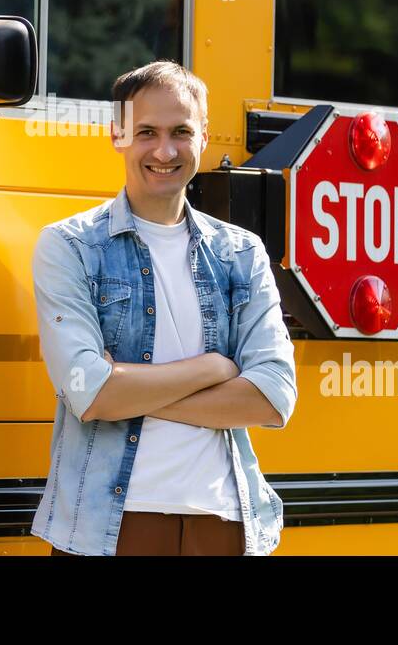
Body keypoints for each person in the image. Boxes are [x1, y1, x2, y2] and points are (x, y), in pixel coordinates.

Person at [31, 60, 297, 556]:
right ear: (117, 135)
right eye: (146, 132)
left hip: (223, 522)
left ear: (204, 137)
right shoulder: (70, 246)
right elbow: (89, 393)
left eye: (181, 132)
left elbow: (273, 396)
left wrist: (128, 389)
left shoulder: (241, 253)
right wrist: (215, 368)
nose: (164, 150)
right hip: (105, 528)